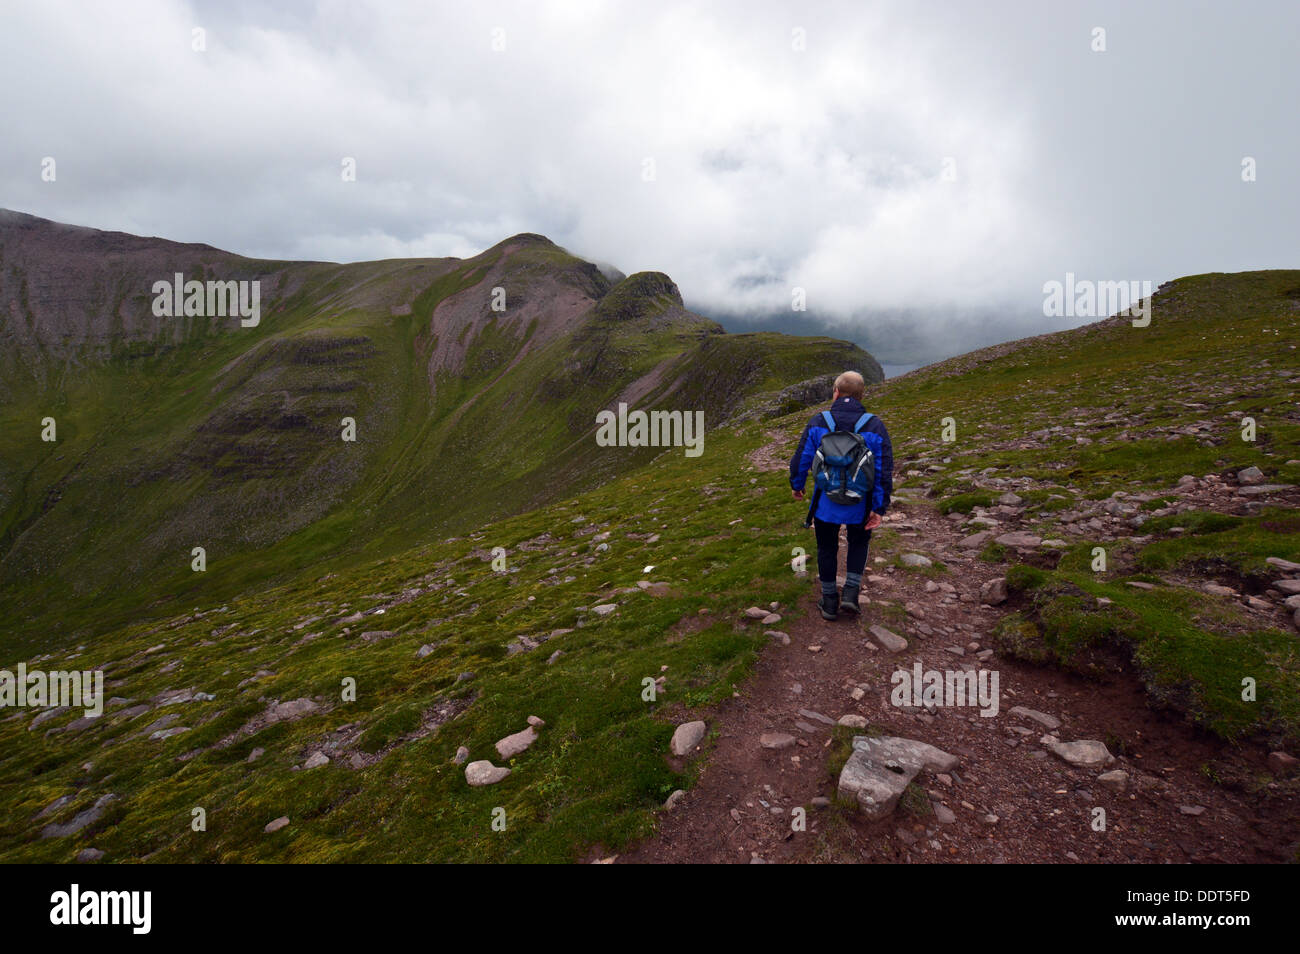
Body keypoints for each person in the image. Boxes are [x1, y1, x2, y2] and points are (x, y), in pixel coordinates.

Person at [789, 371, 894, 620]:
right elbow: (883, 470)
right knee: (858, 543)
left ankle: (828, 601)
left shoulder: (818, 421)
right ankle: (850, 595)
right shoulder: (875, 425)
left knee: (826, 547)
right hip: (862, 503)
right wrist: (879, 507)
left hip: (826, 501)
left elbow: (801, 458)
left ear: (836, 392)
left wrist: (797, 485)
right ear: (861, 394)